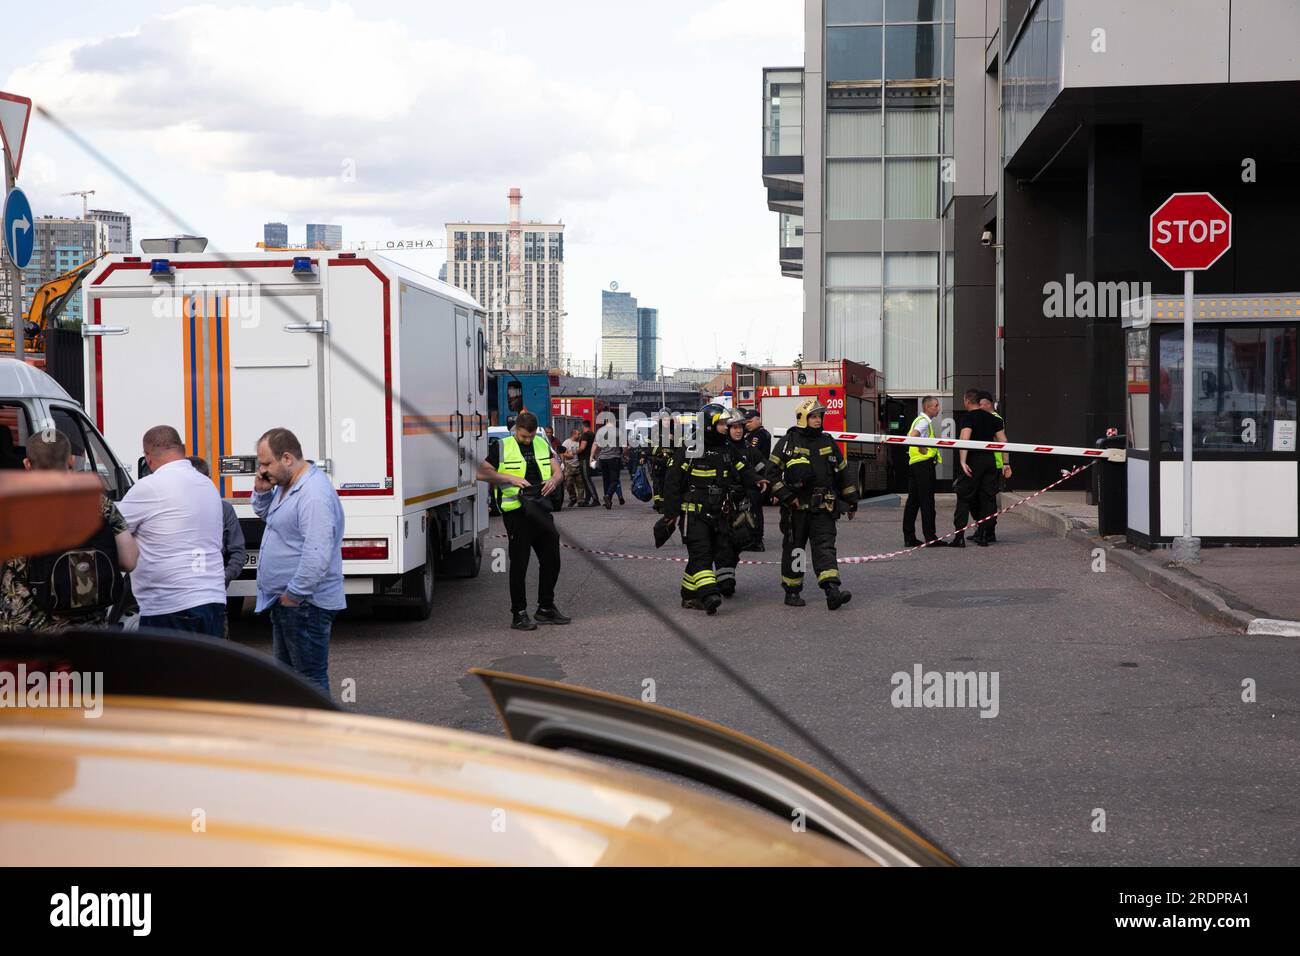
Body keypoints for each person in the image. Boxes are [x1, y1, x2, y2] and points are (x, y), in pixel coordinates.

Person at [0, 430, 138, 632]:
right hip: (85, 635)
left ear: (27, 465)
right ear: (71, 461)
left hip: (26, 638)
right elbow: (129, 560)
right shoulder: (100, 503)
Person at [252, 427, 346, 692]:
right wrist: (261, 492)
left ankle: (318, 733)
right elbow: (272, 519)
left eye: (266, 463)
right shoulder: (288, 486)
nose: (262, 470)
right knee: (290, 682)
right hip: (290, 603)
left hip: (305, 605)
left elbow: (317, 554)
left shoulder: (313, 495)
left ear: (287, 458)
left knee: (309, 682)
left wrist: (293, 595)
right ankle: (296, 732)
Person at [117, 425, 227, 636]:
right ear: (183, 449)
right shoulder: (208, 485)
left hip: (171, 606)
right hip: (213, 601)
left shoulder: (149, 487)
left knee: (169, 670)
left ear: (147, 458)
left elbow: (112, 527)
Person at [477, 411, 571, 631]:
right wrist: (510, 478)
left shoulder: (541, 443)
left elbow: (558, 470)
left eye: (530, 436)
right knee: (520, 564)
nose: (527, 440)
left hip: (540, 508)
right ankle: (519, 613)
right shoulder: (501, 446)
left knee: (552, 558)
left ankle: (546, 607)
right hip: (516, 512)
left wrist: (554, 480)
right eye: (523, 436)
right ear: (516, 429)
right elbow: (481, 474)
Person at [662, 404, 759, 613]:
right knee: (702, 553)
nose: (726, 427)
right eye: (722, 423)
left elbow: (743, 469)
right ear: (709, 425)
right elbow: (672, 481)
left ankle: (689, 595)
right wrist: (670, 513)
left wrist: (758, 480)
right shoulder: (690, 447)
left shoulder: (727, 447)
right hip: (694, 514)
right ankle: (709, 594)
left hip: (718, 513)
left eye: (726, 423)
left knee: (707, 553)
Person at [768, 398, 857, 610]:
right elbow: (771, 474)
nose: (818, 420)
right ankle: (792, 591)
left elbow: (843, 473)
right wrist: (788, 497)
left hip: (823, 508)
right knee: (796, 551)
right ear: (802, 418)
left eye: (820, 416)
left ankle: (832, 591)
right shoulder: (789, 442)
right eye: (813, 417)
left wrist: (851, 501)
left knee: (825, 548)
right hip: (796, 510)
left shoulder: (828, 442)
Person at [189, 456, 248, 636]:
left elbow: (238, 552)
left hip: (213, 600)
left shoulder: (223, 509)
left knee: (214, 657)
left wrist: (222, 579)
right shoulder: (171, 509)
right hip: (181, 600)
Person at [951, 389, 1009, 548]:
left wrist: (963, 461)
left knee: (963, 497)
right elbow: (1003, 441)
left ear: (967, 401)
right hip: (989, 461)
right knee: (987, 498)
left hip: (973, 461)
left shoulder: (967, 418)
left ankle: (959, 537)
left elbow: (965, 439)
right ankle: (983, 535)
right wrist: (1006, 463)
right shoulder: (993, 419)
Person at [902, 396, 948, 548]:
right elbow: (913, 436)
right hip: (923, 466)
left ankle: (909, 537)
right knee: (927, 502)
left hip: (915, 465)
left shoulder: (918, 420)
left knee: (913, 503)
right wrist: (922, 448)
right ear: (927, 408)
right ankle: (931, 538)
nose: (938, 408)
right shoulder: (923, 422)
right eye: (936, 405)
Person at [978, 391, 1013, 543]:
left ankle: (989, 531)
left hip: (995, 463)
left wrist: (1006, 464)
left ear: (988, 404)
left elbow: (1002, 442)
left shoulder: (995, 419)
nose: (979, 407)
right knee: (985, 499)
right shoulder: (988, 418)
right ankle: (983, 529)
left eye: (981, 404)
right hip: (991, 462)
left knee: (989, 499)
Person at [742, 409, 772, 551]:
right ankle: (751, 536)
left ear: (758, 419)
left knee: (754, 509)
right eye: (746, 421)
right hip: (752, 476)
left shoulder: (759, 435)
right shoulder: (751, 434)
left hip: (756, 476)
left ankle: (757, 540)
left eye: (750, 421)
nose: (747, 424)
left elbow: (752, 456)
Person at [649, 412, 676, 513]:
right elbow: (650, 446)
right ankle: (658, 504)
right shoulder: (655, 431)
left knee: (667, 484)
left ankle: (664, 504)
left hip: (670, 462)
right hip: (658, 461)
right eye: (664, 420)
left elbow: (679, 448)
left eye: (668, 420)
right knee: (657, 484)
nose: (666, 422)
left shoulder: (675, 431)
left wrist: (672, 440)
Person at [593, 428, 626, 508]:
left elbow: (596, 446)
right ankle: (608, 495)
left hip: (603, 459)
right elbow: (625, 447)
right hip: (614, 458)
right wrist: (624, 455)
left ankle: (608, 501)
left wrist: (594, 456)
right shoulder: (618, 431)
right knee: (614, 480)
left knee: (606, 480)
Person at [576, 419, 599, 506]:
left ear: (583, 426)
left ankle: (595, 499)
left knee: (587, 479)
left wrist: (573, 452)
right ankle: (587, 499)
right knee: (586, 480)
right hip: (590, 459)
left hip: (585, 460)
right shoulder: (593, 434)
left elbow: (582, 448)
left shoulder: (585, 435)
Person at [561, 426, 582, 507]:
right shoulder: (567, 442)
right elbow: (562, 453)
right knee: (568, 483)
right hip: (569, 466)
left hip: (578, 465)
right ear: (573, 434)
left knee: (580, 484)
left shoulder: (580, 443)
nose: (580, 435)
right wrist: (563, 462)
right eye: (578, 434)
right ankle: (573, 498)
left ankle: (580, 500)